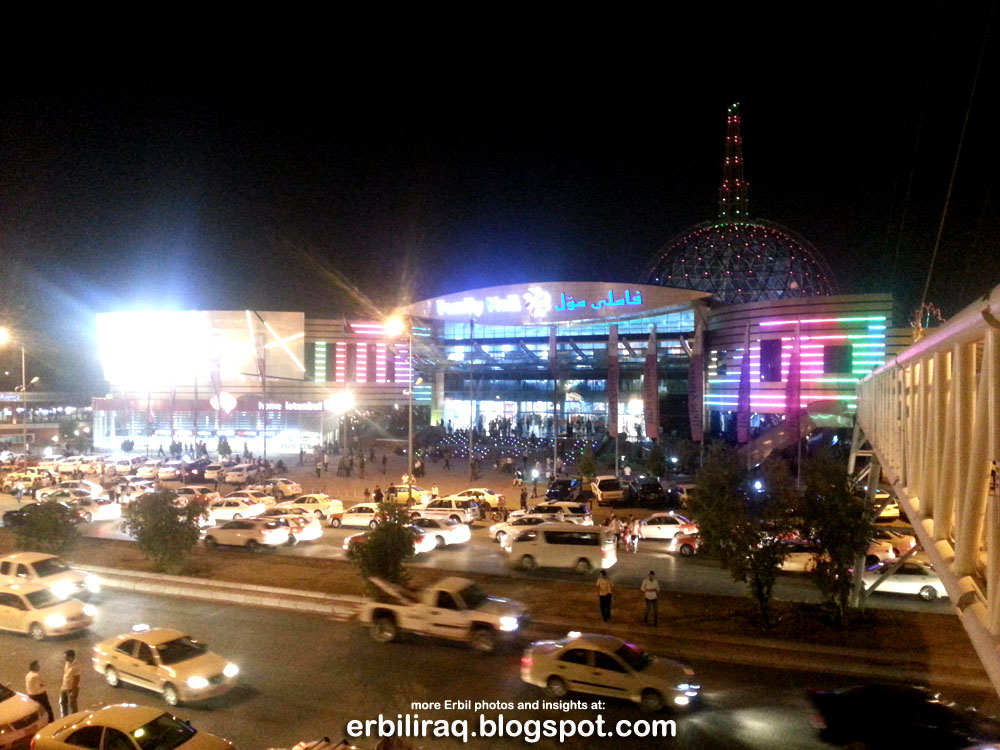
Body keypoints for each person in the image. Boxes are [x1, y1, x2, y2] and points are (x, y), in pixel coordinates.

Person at [60, 649, 81, 717]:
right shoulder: (68, 663)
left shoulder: (76, 666)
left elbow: (76, 679)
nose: (64, 658)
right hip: (64, 686)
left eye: (66, 657)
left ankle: (75, 717)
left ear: (71, 657)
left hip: (71, 688)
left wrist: (73, 692)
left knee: (72, 704)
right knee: (63, 702)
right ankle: (64, 716)